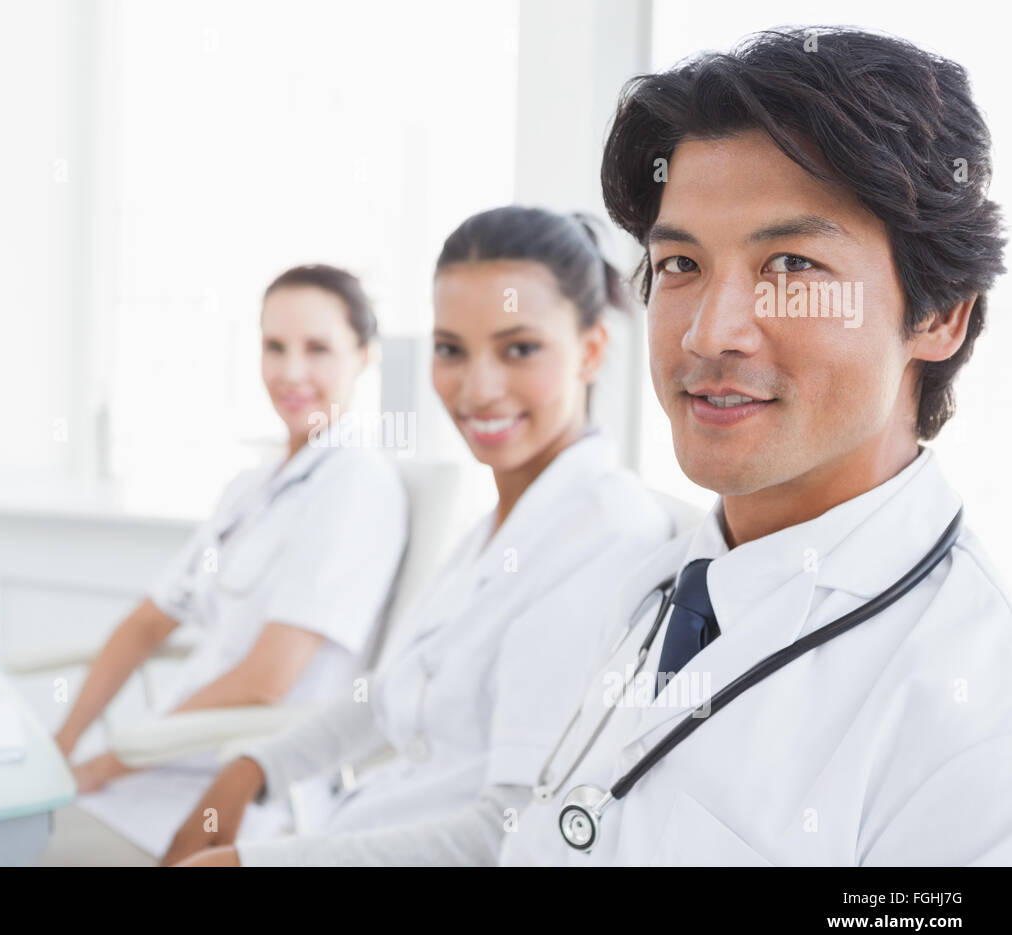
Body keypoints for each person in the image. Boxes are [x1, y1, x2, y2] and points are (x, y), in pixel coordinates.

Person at [504, 27, 1012, 866]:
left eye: (791, 264)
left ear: (939, 314)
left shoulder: (975, 708)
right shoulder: (659, 588)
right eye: (680, 266)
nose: (711, 333)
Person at [165, 206, 673, 866]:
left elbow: (514, 833)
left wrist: (250, 864)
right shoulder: (497, 524)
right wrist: (250, 771)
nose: (478, 388)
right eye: (450, 350)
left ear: (593, 350)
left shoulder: (606, 536)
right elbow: (387, 698)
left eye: (519, 348)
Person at [54, 265, 407, 853]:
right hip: (160, 765)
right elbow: (146, 624)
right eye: (275, 347)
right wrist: (61, 749)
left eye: (318, 348)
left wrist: (105, 765)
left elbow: (267, 682)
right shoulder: (250, 488)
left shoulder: (357, 487)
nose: (291, 371)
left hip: (239, 792)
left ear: (365, 355)